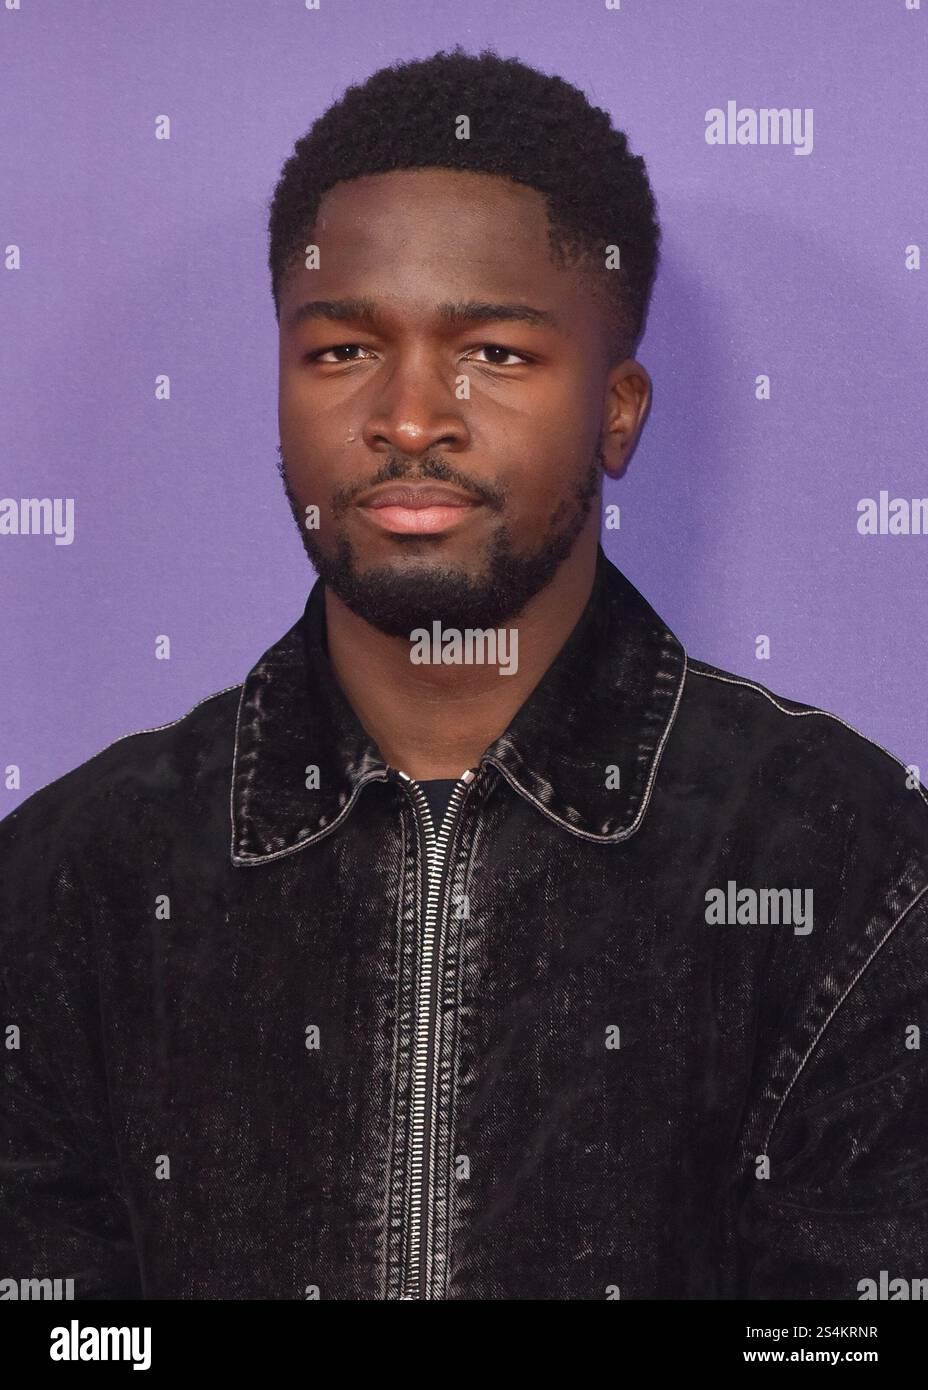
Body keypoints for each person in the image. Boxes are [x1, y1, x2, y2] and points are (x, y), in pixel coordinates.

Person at [2, 47, 926, 1302]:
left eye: (492, 351)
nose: (410, 417)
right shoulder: (73, 874)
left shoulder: (845, 859)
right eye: (340, 352)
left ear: (618, 407)